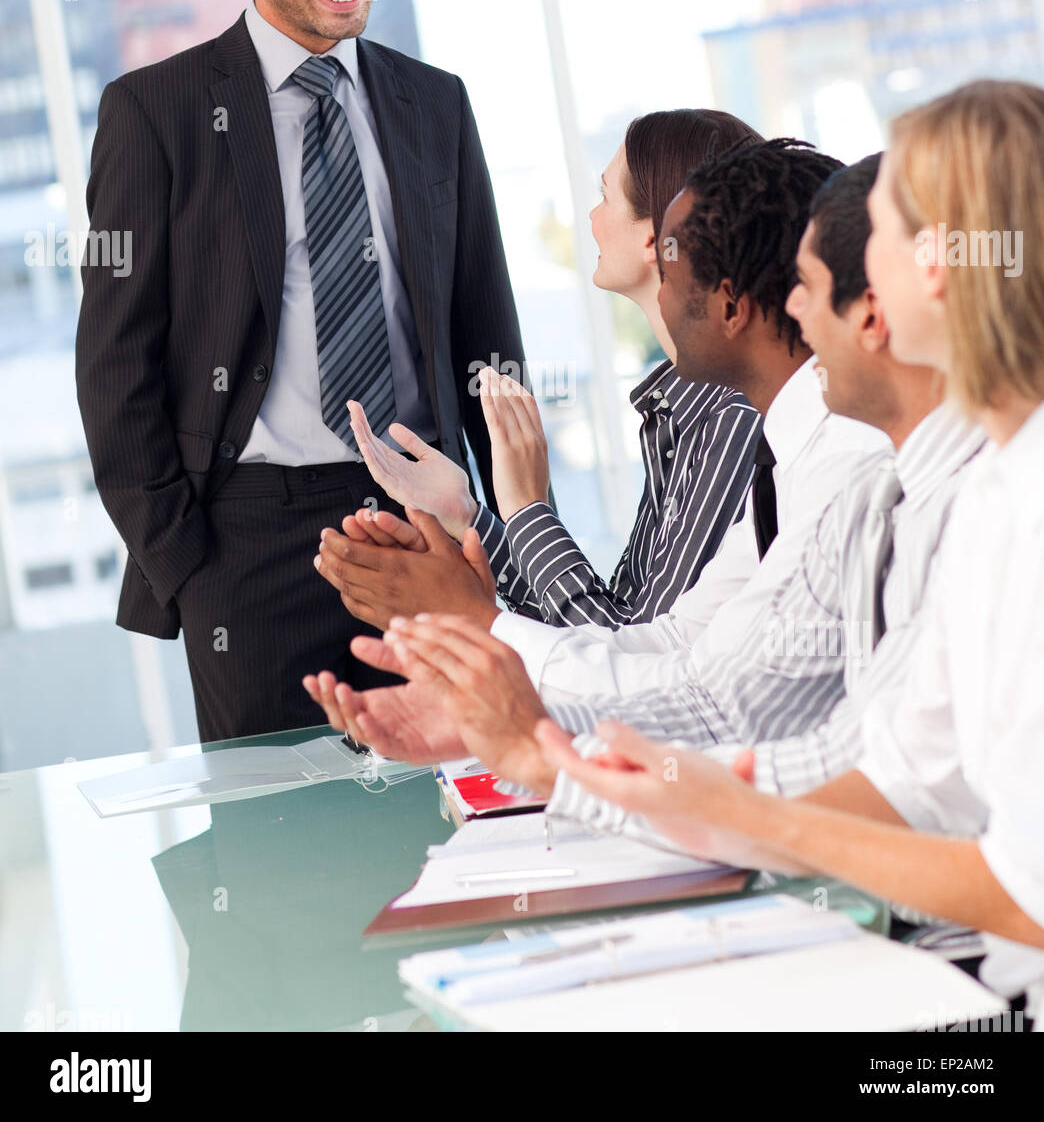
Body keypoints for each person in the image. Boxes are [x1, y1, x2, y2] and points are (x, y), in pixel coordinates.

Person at [535, 80, 1044, 1025]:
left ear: (933, 269)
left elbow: (1022, 895)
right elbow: (890, 768)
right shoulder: (985, 489)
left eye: (873, 232)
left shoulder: (1006, 497)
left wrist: (693, 804)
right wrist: (581, 772)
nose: (812, 290)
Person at [75, 0, 528, 742]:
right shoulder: (154, 113)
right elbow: (116, 366)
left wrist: (511, 532)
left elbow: (489, 336)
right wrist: (187, 564)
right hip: (252, 546)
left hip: (428, 524)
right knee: (278, 844)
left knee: (454, 809)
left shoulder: (434, 105)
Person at [302, 140, 890, 755]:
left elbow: (704, 698)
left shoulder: (808, 453)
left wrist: (488, 623)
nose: (663, 290)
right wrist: (475, 563)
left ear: (728, 300)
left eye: (608, 196)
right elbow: (666, 645)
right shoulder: (761, 448)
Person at [318, 109, 764, 632]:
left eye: (604, 197)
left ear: (653, 240)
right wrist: (466, 514)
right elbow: (609, 620)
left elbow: (621, 655)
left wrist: (528, 506)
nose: (592, 218)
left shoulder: (732, 420)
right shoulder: (684, 411)